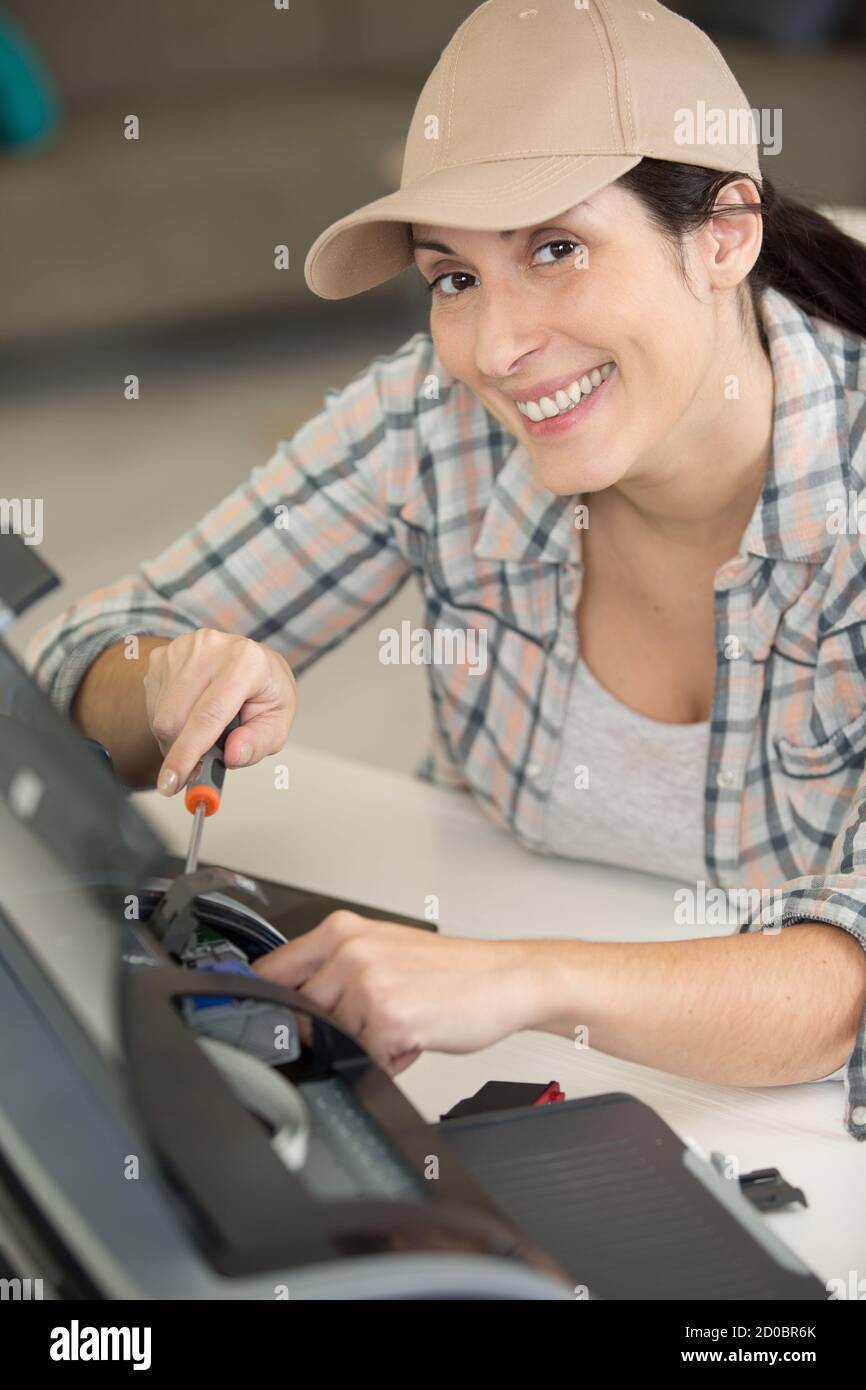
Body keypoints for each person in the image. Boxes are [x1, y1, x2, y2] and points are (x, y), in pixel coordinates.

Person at [25, 0, 866, 1137]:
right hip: (511, 1082)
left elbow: (846, 993)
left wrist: (524, 978)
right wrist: (159, 680)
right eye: (452, 277)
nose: (496, 347)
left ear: (722, 234)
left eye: (554, 249)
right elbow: (80, 659)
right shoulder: (439, 425)